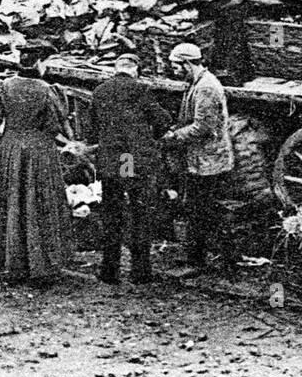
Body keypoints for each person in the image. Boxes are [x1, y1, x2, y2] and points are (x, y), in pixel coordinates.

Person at [0, 47, 73, 285]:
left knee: (8, 201)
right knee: (39, 202)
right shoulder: (48, 91)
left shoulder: (3, 86)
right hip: (40, 151)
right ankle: (41, 264)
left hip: (9, 147)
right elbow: (55, 125)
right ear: (38, 63)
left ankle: (5, 261)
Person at [87, 52, 173, 284]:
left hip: (113, 161)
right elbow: (162, 120)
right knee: (139, 213)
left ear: (116, 68)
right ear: (134, 69)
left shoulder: (100, 91)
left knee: (112, 214)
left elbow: (92, 127)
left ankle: (109, 271)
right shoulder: (140, 90)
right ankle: (141, 272)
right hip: (133, 160)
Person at [160, 42, 236, 276]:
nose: (173, 70)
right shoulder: (195, 83)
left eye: (175, 66)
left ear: (187, 63)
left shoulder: (206, 87)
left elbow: (203, 127)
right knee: (204, 210)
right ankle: (227, 258)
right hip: (201, 158)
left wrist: (173, 137)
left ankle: (200, 261)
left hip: (208, 160)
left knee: (201, 211)